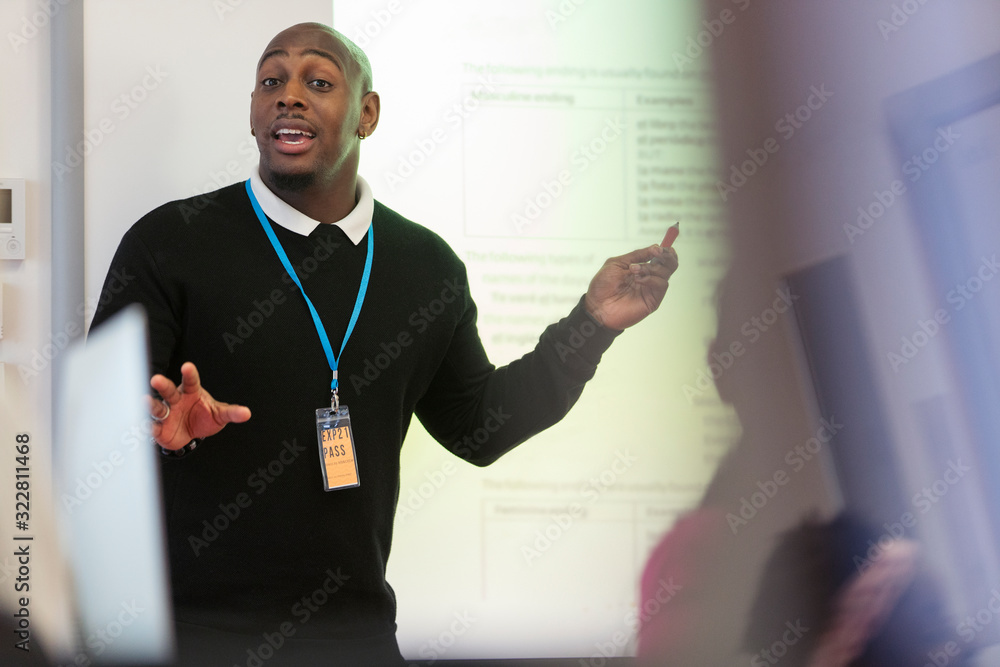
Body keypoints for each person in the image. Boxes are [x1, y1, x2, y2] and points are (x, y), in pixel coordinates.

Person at [90, 22, 677, 666]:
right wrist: (158, 433)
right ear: (254, 113)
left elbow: (478, 427)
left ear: (367, 114)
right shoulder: (172, 240)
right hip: (190, 639)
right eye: (270, 81)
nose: (288, 95)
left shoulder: (425, 266)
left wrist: (591, 324)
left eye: (318, 81)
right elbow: (99, 431)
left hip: (353, 638)